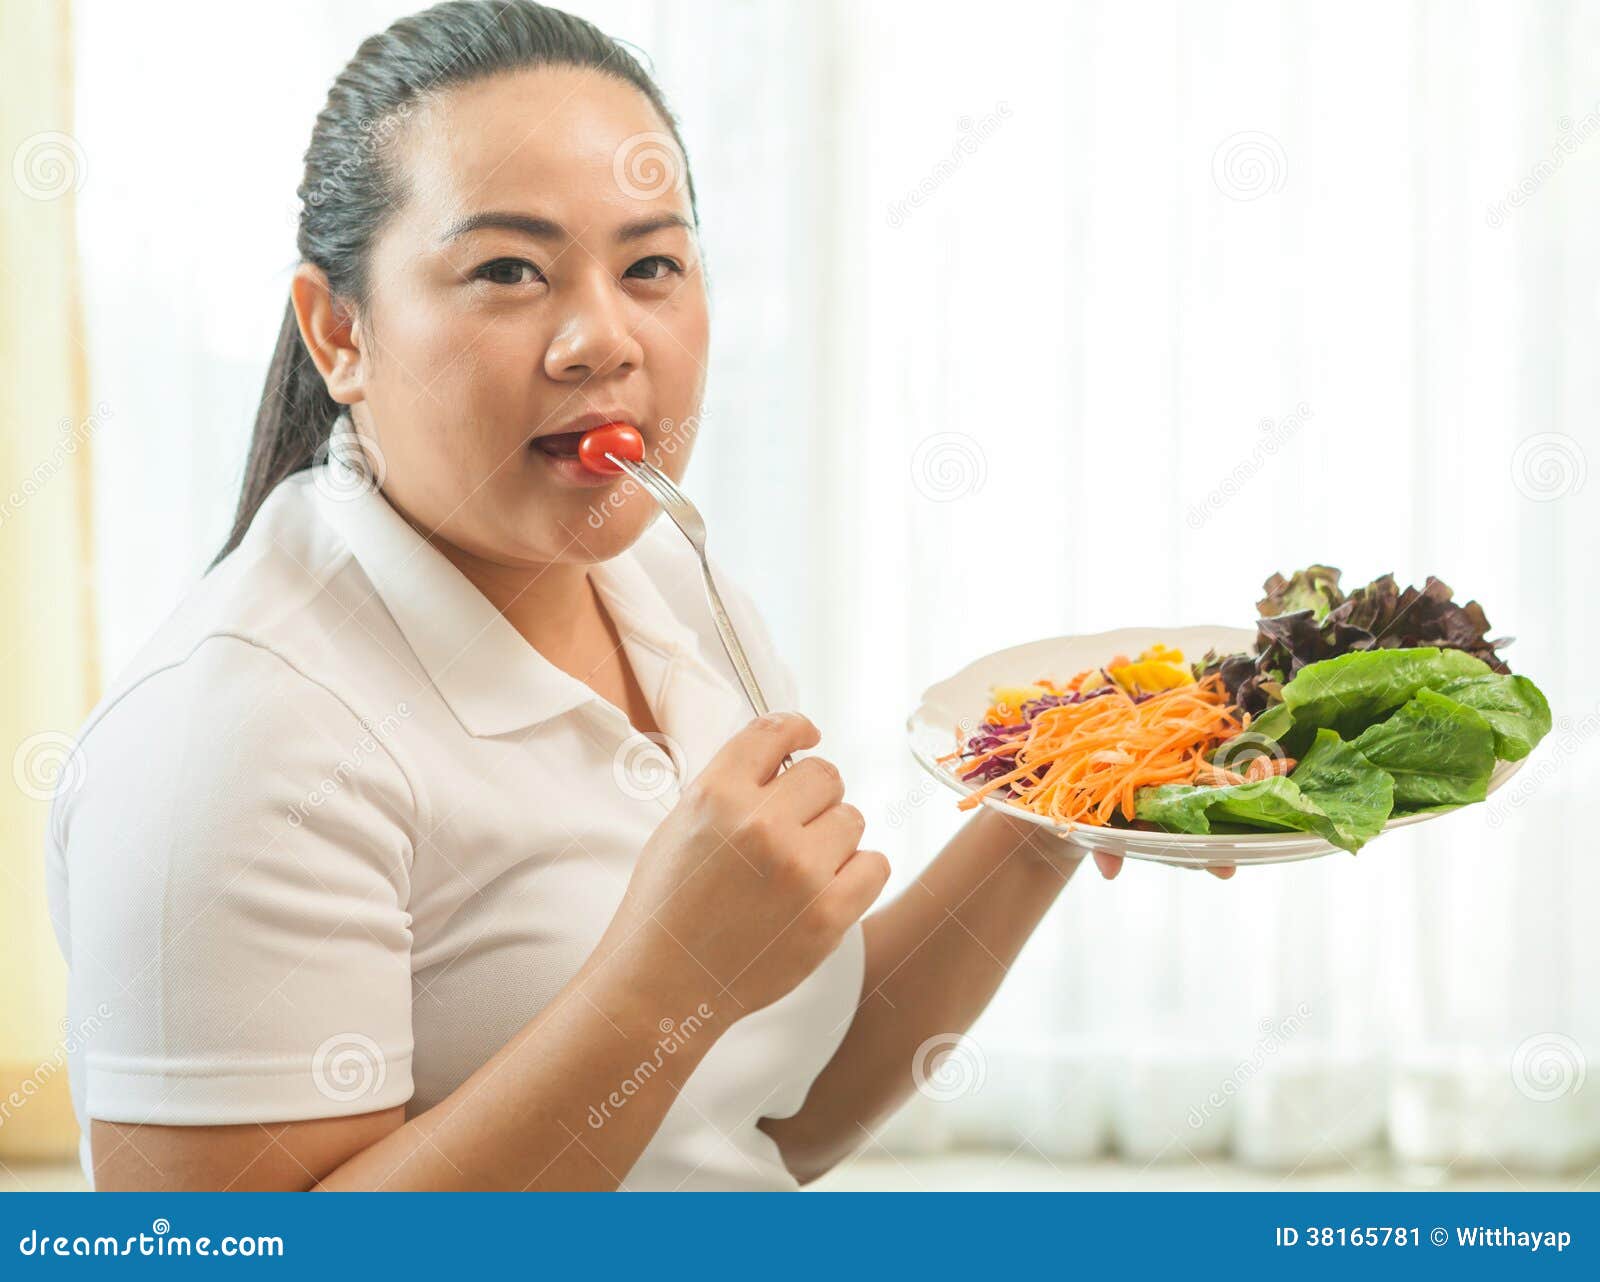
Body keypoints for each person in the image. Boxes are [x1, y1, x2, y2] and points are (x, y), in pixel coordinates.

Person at [45, 0, 1229, 1194]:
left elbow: (762, 1121)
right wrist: (665, 976)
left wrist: (1056, 804)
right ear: (338, 331)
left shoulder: (664, 580)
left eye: (651, 265)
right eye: (508, 270)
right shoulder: (230, 736)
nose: (601, 340)